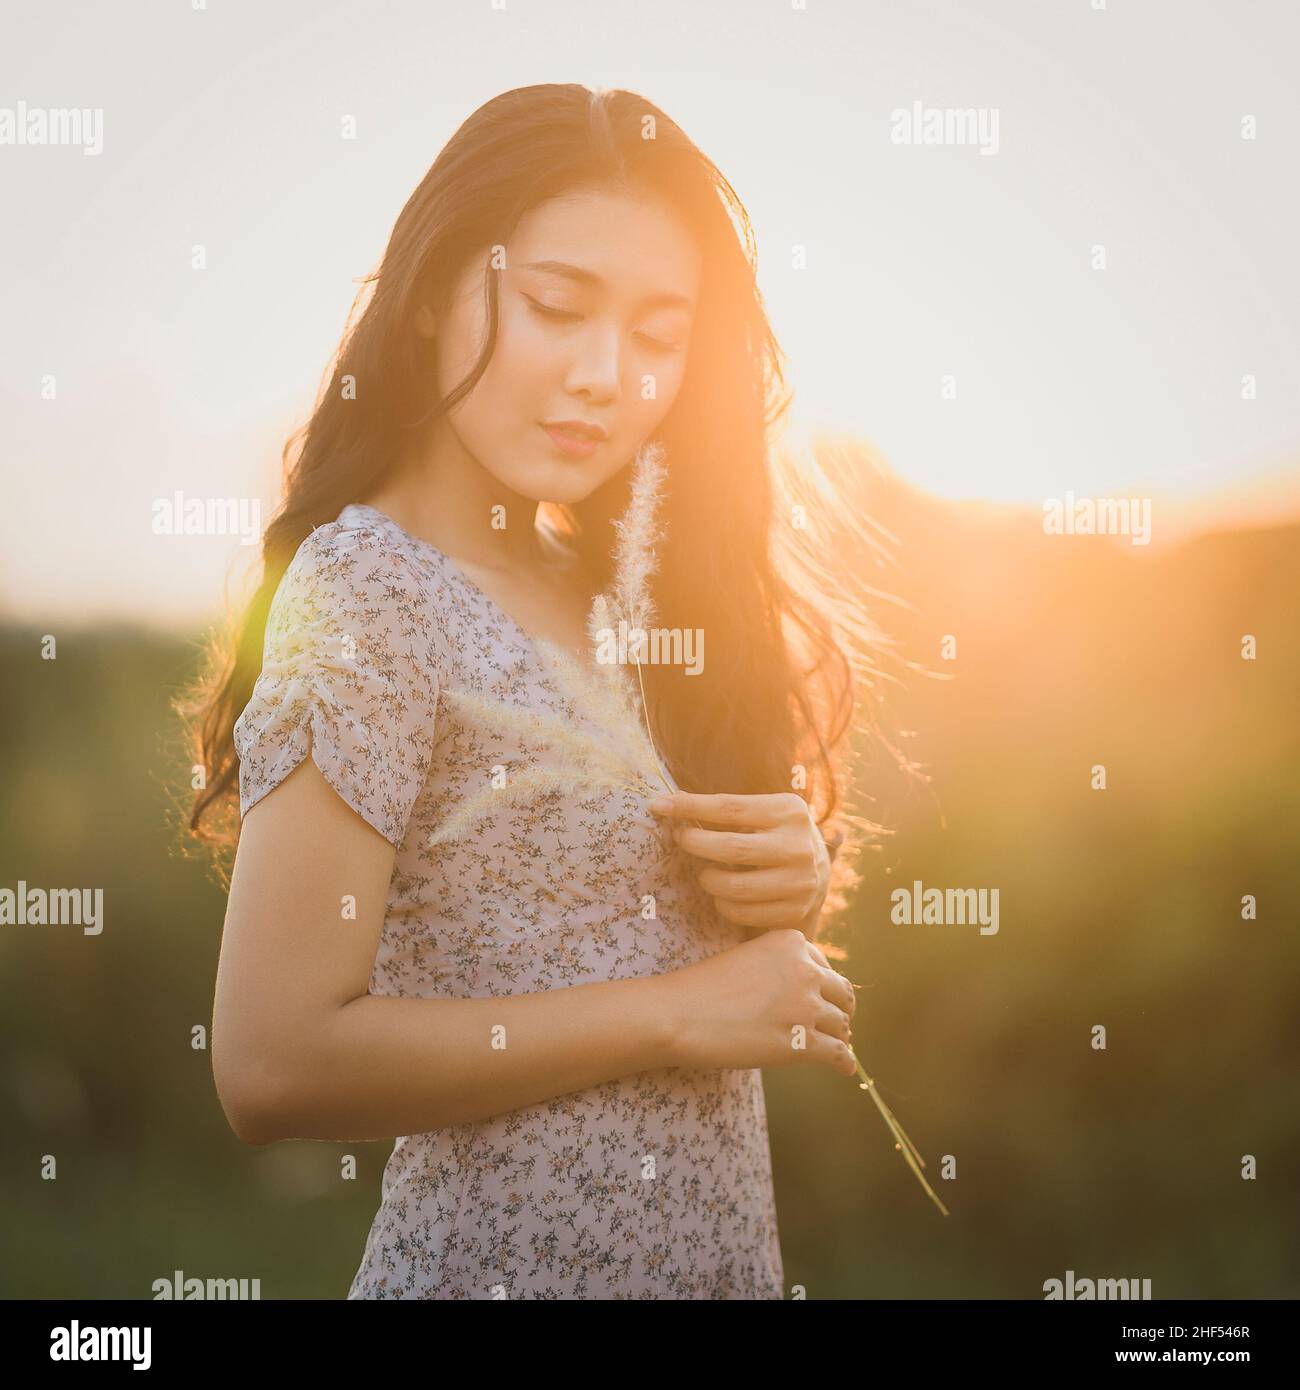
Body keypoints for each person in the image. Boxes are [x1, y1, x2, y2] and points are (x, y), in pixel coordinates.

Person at [182, 83, 895, 1300]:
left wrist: (788, 873)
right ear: (425, 298)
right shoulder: (368, 590)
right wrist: (678, 1009)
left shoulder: (618, 585)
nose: (606, 375)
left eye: (661, 335)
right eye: (558, 307)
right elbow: (272, 1063)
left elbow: (631, 916)